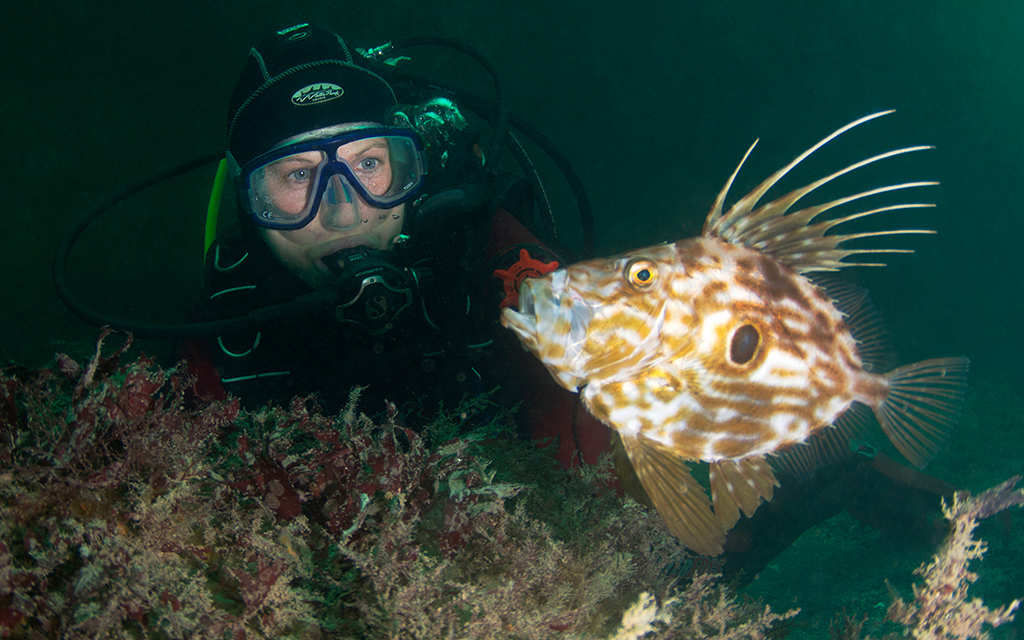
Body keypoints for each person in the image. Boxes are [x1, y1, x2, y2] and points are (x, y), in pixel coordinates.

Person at [180, 23, 609, 467]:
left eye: (368, 163)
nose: (344, 214)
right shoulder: (224, 333)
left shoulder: (477, 256)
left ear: (409, 166)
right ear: (251, 200)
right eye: (299, 175)